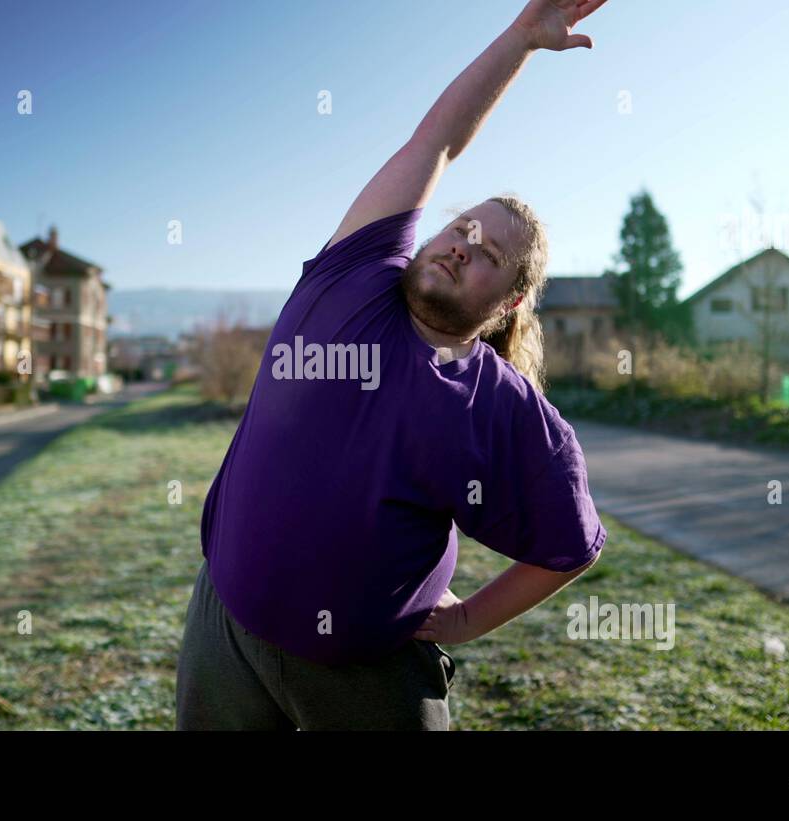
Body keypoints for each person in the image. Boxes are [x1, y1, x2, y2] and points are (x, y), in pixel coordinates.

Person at [176, 0, 610, 731]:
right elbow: (438, 140)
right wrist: (520, 40)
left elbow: (570, 544)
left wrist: (470, 617)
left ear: (508, 305)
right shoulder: (353, 274)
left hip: (365, 674)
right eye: (460, 228)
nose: (462, 245)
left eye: (490, 255)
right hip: (224, 629)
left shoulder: (497, 406)